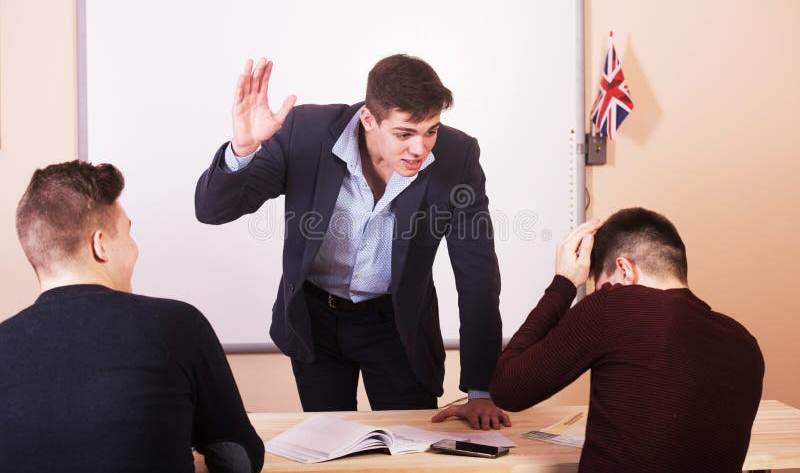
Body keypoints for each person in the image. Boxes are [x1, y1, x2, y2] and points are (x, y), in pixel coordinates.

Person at [195, 54, 510, 429]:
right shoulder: (304, 132)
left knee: (409, 447)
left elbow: (477, 275)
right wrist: (242, 149)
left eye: (431, 131)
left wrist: (480, 390)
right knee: (328, 446)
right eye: (404, 133)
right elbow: (213, 210)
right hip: (316, 320)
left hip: (397, 324)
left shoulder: (457, 158)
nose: (420, 149)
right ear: (368, 120)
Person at [0, 161, 264, 473]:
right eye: (128, 233)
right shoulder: (178, 325)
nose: (135, 247)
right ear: (100, 246)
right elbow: (239, 460)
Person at [490, 208, 764, 471]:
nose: (599, 293)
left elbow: (507, 388)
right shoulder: (745, 344)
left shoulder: (612, 305)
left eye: (599, 285)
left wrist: (564, 283)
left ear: (624, 270)